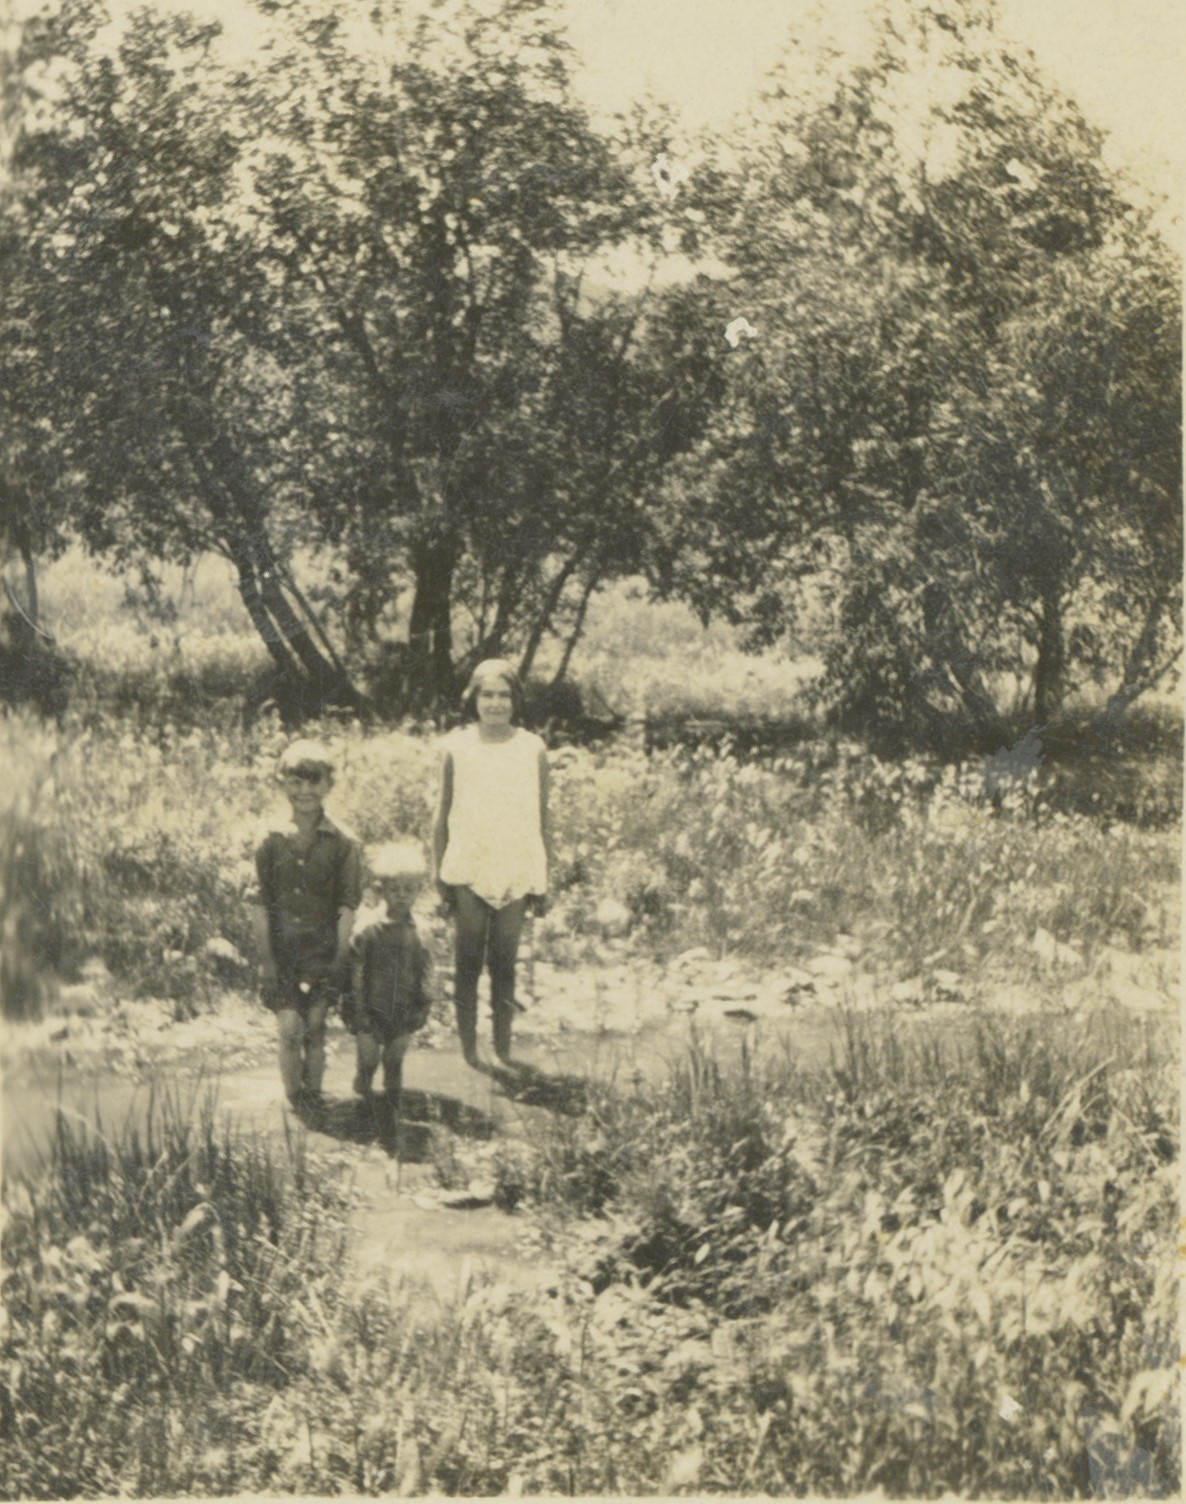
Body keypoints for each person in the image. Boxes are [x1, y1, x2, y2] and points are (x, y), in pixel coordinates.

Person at [432, 659, 551, 1066]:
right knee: (467, 961)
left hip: (515, 866)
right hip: (470, 864)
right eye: (488, 695)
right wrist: (438, 873)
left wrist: (542, 877)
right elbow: (442, 813)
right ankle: (469, 1054)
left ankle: (503, 1050)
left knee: (505, 962)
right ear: (473, 698)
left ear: (516, 700)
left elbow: (542, 815)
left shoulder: (532, 747)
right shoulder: (456, 745)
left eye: (504, 695)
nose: (496, 704)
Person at [247, 737, 361, 1118]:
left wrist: (341, 960)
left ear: (329, 784)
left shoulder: (344, 842)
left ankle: (316, 1100)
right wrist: (266, 961)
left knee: (315, 1026)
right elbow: (259, 905)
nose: (305, 790)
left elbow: (347, 906)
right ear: (281, 783)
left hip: (323, 951)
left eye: (314, 781)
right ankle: (294, 1103)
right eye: (296, 781)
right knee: (288, 1027)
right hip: (282, 952)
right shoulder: (268, 839)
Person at [347, 840, 435, 1126]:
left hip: (405, 1008)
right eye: (394, 889)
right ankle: (363, 1107)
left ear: (419, 891)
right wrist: (358, 1009)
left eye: (409, 890)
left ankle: (391, 1119)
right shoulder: (368, 928)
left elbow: (428, 970)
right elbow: (357, 972)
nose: (401, 896)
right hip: (369, 1008)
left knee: (395, 1063)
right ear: (380, 889)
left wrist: (425, 1004)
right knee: (368, 1063)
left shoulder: (420, 930)